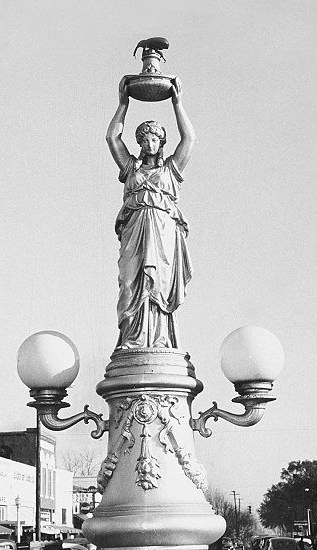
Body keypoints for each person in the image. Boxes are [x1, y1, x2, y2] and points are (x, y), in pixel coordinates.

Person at [106, 76, 196, 349]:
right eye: (144, 139)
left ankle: (161, 340)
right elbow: (112, 137)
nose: (149, 144)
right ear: (139, 144)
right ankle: (132, 339)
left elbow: (189, 138)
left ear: (162, 142)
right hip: (134, 232)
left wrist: (177, 104)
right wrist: (123, 104)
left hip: (163, 232)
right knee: (131, 283)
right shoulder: (130, 169)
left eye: (155, 139)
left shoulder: (170, 170)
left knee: (158, 285)